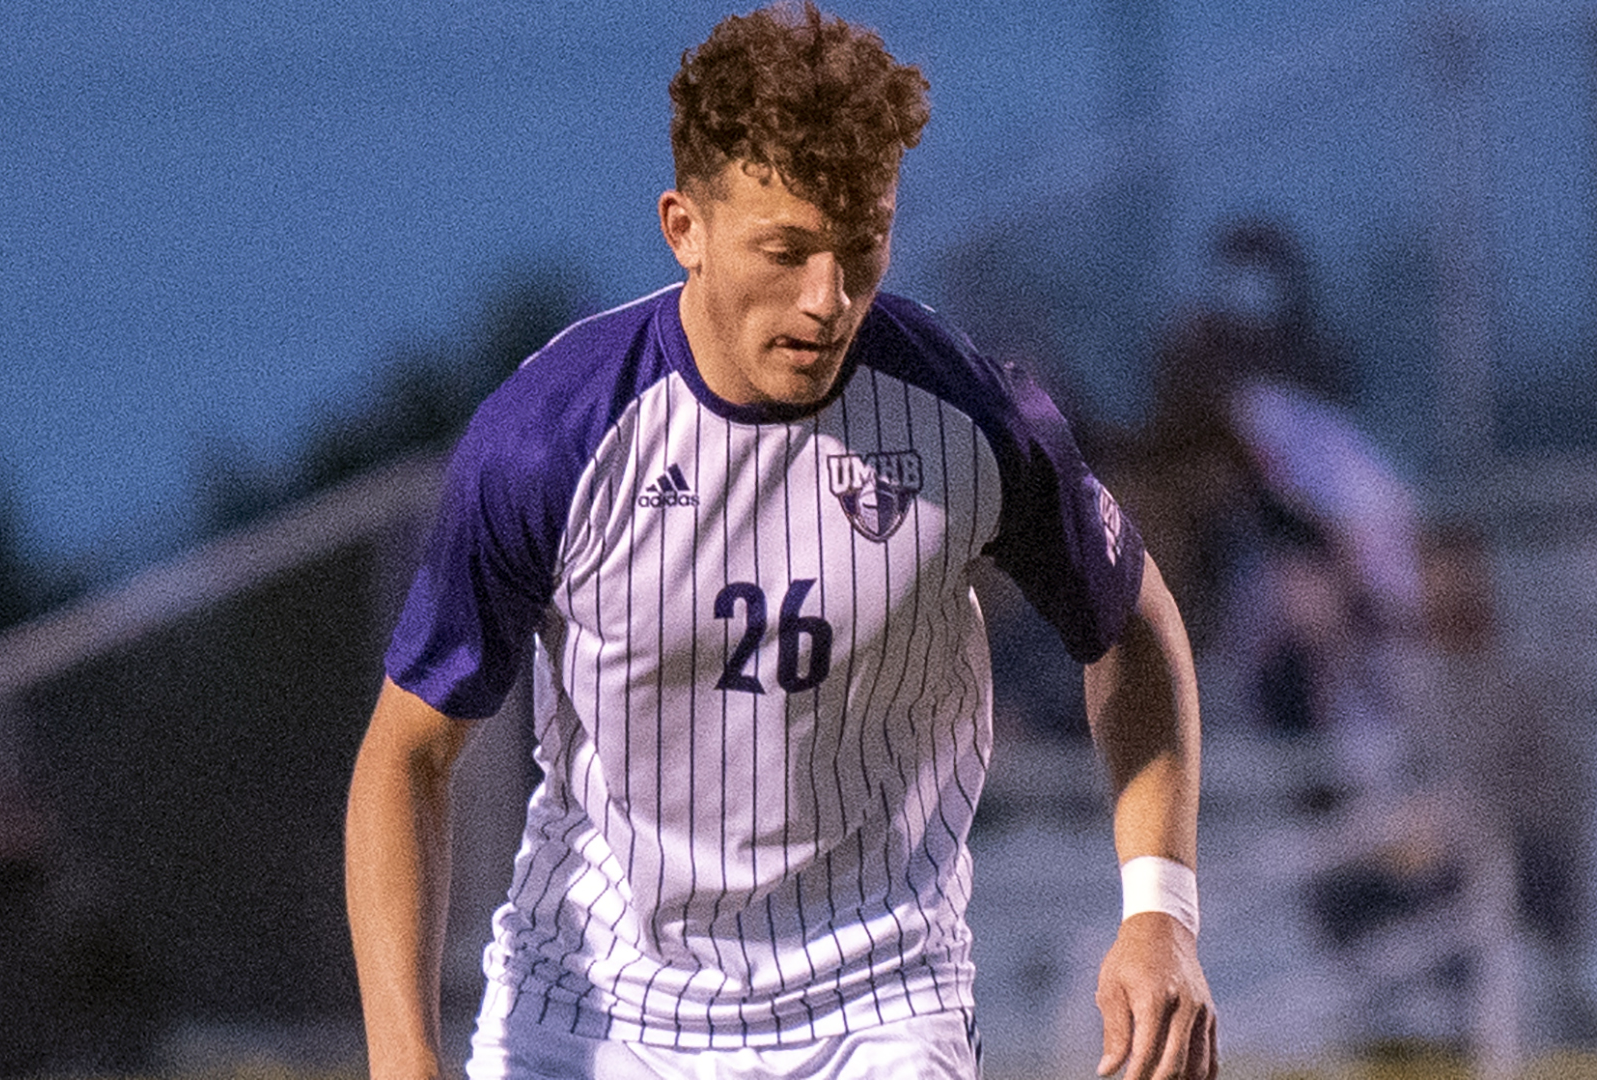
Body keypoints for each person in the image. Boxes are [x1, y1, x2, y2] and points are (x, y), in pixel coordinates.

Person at [345, 5, 1214, 1078]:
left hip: (880, 1010)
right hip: (589, 1017)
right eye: (786, 249)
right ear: (684, 228)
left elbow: (1131, 624)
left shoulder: (973, 418)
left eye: (862, 247)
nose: (828, 299)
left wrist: (1161, 908)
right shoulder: (547, 440)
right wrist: (402, 1059)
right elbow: (406, 758)